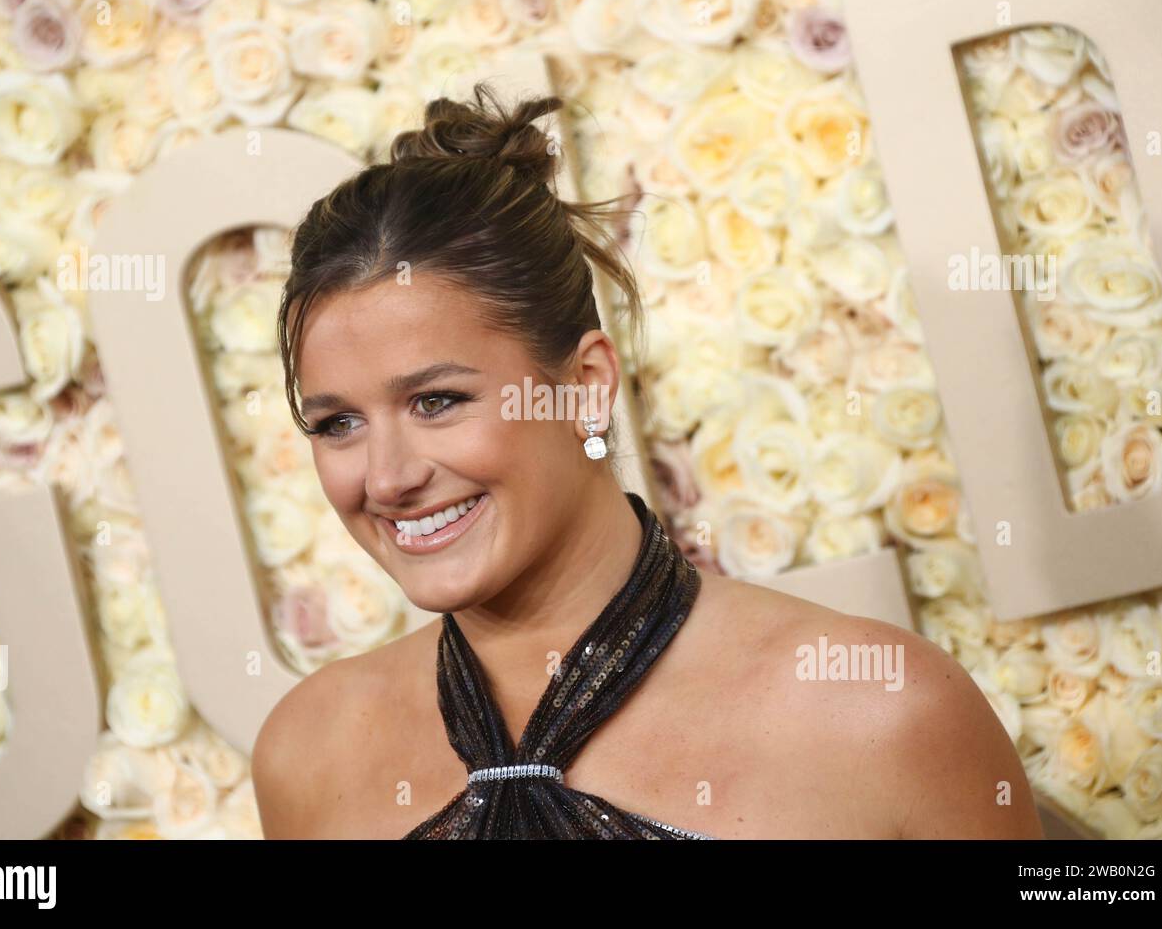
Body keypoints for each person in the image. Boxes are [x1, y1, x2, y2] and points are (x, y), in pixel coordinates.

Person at [251, 82, 1044, 840]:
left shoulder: (876, 708)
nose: (387, 478)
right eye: (337, 423)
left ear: (586, 388)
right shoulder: (309, 754)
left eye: (437, 403)